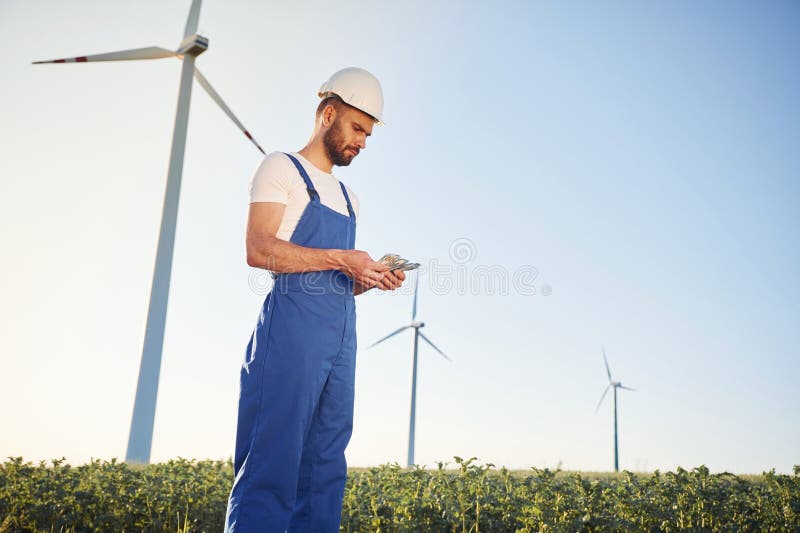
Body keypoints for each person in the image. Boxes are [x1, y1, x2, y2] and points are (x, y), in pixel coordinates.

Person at [224, 67, 406, 532]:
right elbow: (259, 248)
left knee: (325, 468)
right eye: (357, 129)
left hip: (339, 343)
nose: (363, 142)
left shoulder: (349, 199)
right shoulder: (281, 168)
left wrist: (369, 277)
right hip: (290, 339)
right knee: (273, 462)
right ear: (329, 115)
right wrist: (343, 258)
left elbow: (332, 277)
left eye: (368, 134)